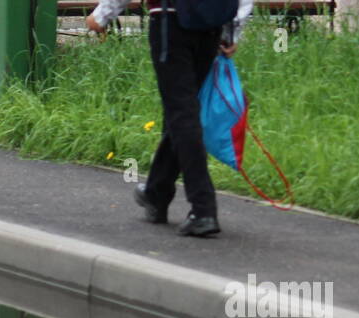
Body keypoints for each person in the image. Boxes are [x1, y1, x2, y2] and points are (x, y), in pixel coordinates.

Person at [86, 0, 253, 237]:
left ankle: (203, 209)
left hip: (170, 23)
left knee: (183, 112)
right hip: (210, 25)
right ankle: (157, 192)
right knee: (180, 110)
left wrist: (101, 16)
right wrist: (231, 32)